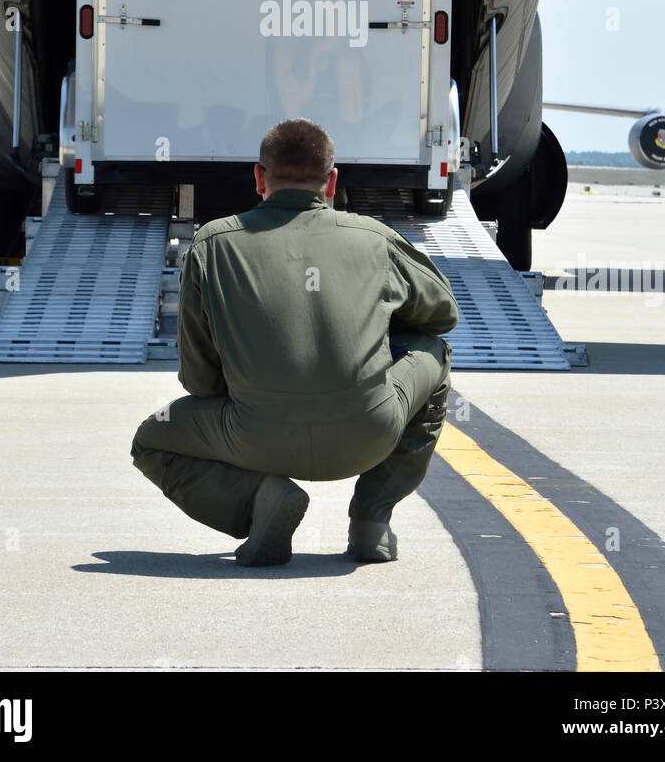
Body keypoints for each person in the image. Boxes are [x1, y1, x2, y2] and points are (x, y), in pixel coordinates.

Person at [130, 118, 458, 567]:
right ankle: (371, 521)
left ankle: (260, 500)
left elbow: (200, 382)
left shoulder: (213, 243)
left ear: (259, 178)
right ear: (332, 181)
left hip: (252, 438)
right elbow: (442, 315)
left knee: (150, 441)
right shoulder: (373, 238)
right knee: (433, 350)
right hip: (368, 436)